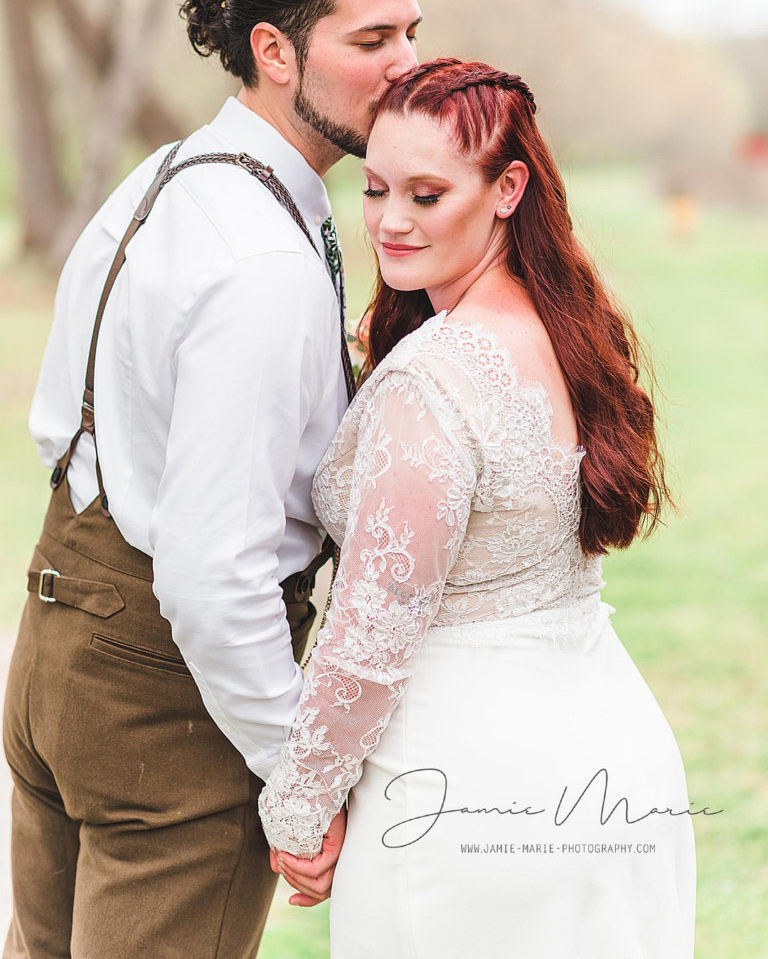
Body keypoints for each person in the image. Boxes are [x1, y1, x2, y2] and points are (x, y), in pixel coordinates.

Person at [3, 0, 421, 958]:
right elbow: (211, 572)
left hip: (53, 649)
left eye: (412, 31)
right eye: (372, 42)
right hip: (164, 705)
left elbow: (63, 428)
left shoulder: (167, 177)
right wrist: (299, 777)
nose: (408, 66)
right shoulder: (262, 267)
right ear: (276, 52)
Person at [258, 59, 697, 957]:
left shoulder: (436, 381)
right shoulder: (568, 332)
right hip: (614, 763)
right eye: (376, 188)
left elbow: (371, 636)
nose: (390, 220)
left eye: (427, 193)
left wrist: (300, 810)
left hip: (466, 791)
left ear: (507, 189)